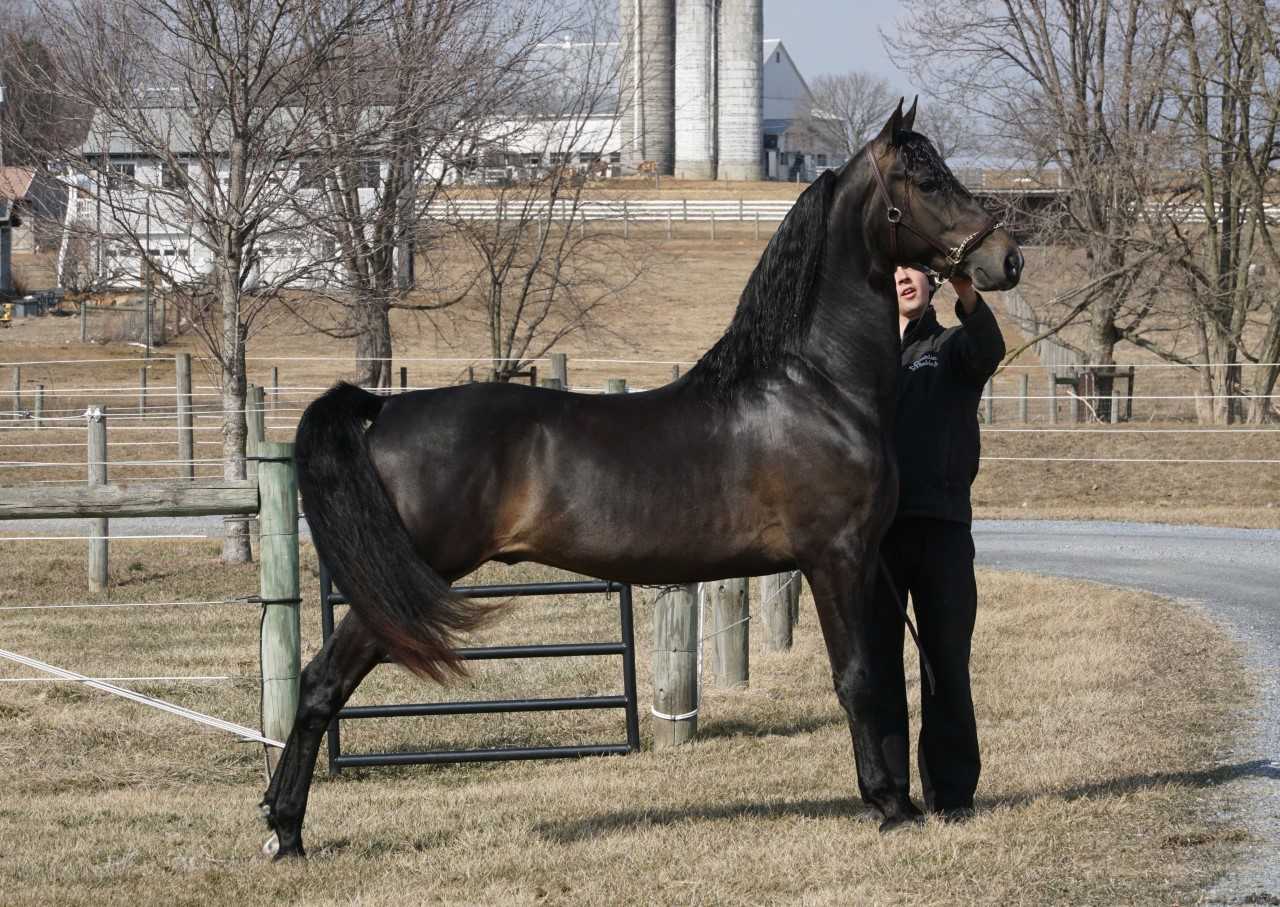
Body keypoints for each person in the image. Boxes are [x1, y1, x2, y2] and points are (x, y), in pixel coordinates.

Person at [863, 264, 1005, 823]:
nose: (903, 280)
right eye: (894, 272)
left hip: (943, 527)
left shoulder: (950, 348)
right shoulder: (866, 359)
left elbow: (989, 346)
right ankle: (890, 797)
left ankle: (952, 796)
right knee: (877, 667)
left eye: (915, 272)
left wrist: (968, 287)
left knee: (945, 660)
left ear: (933, 283)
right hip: (876, 535)